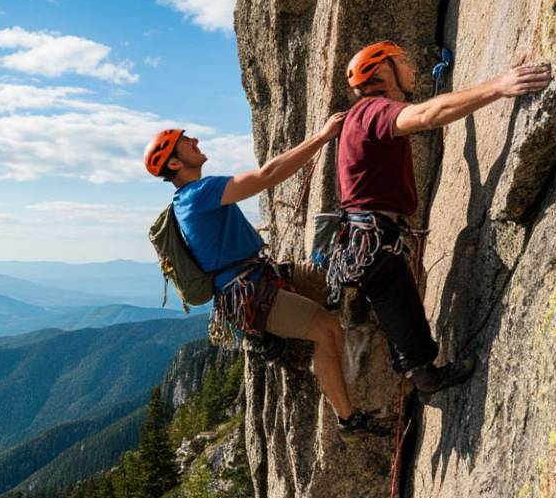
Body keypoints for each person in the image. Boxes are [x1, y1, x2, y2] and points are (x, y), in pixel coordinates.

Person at [328, 40, 551, 398]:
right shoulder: (374, 110)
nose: (412, 69)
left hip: (365, 238)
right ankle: (424, 375)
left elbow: (427, 114)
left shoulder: (360, 115)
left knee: (395, 302)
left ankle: (420, 373)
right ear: (383, 70)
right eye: (403, 61)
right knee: (397, 301)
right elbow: (427, 116)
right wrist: (499, 86)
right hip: (373, 237)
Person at [143, 115, 387, 435]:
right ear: (175, 163)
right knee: (326, 329)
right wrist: (323, 135)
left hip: (256, 279)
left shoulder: (185, 201)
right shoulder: (199, 193)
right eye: (185, 142)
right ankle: (348, 419)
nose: (195, 141)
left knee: (327, 275)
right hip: (250, 293)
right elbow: (266, 175)